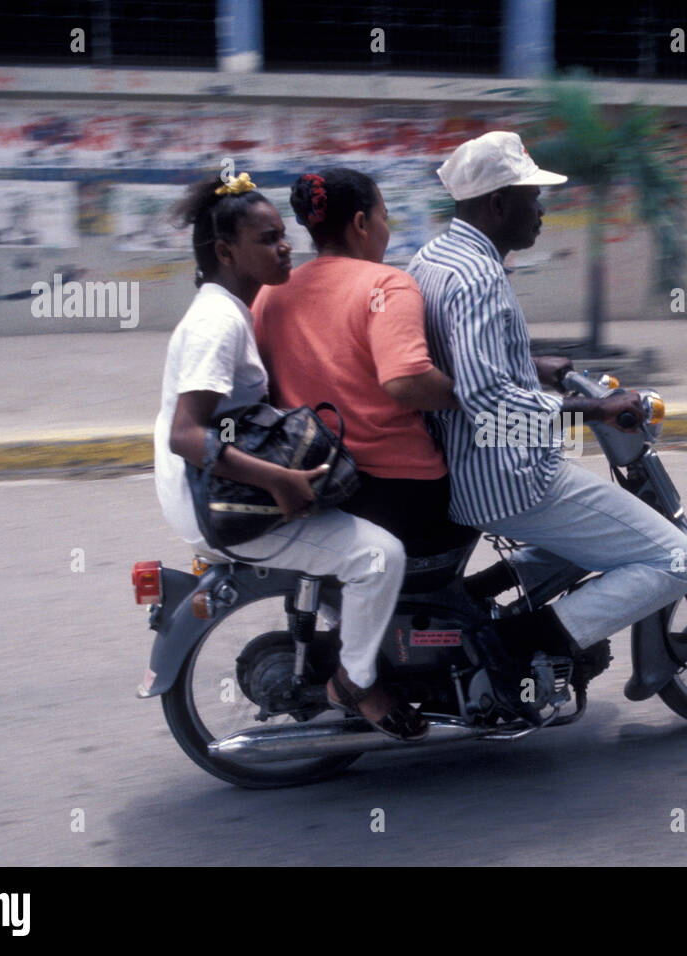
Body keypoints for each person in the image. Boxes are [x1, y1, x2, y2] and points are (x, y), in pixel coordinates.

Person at [407, 130, 687, 724]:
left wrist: (537, 367)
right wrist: (597, 411)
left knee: (586, 535)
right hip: (506, 474)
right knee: (677, 562)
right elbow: (490, 403)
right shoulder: (481, 279)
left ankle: (487, 602)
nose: (541, 211)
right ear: (497, 205)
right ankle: (520, 645)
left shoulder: (437, 258)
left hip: (470, 462)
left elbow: (468, 359)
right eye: (531, 198)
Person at [152, 173, 425, 741]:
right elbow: (186, 433)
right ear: (226, 251)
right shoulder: (218, 322)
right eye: (268, 239)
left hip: (208, 491)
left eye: (284, 235)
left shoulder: (237, 307)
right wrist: (280, 480)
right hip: (217, 503)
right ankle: (355, 684)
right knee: (380, 557)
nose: (285, 248)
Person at [252, 168, 475, 557]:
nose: (386, 230)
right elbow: (406, 380)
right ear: (360, 223)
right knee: (487, 495)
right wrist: (469, 395)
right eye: (384, 218)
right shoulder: (387, 284)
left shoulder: (272, 294)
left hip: (314, 481)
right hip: (402, 492)